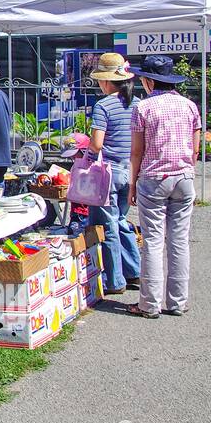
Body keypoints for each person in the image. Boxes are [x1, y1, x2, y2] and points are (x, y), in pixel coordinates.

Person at [127, 55, 202, 318]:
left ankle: (149, 304)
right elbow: (195, 149)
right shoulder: (190, 106)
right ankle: (178, 302)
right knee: (179, 241)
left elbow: (137, 151)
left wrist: (132, 183)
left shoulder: (144, 108)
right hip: (183, 177)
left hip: (153, 178)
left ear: (149, 81)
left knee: (153, 241)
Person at [86, 52, 139, 294]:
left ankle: (114, 280)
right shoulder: (137, 103)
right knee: (122, 222)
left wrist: (84, 158)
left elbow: (96, 144)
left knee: (108, 226)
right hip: (130, 170)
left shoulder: (103, 105)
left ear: (107, 81)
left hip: (108, 172)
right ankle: (134, 271)